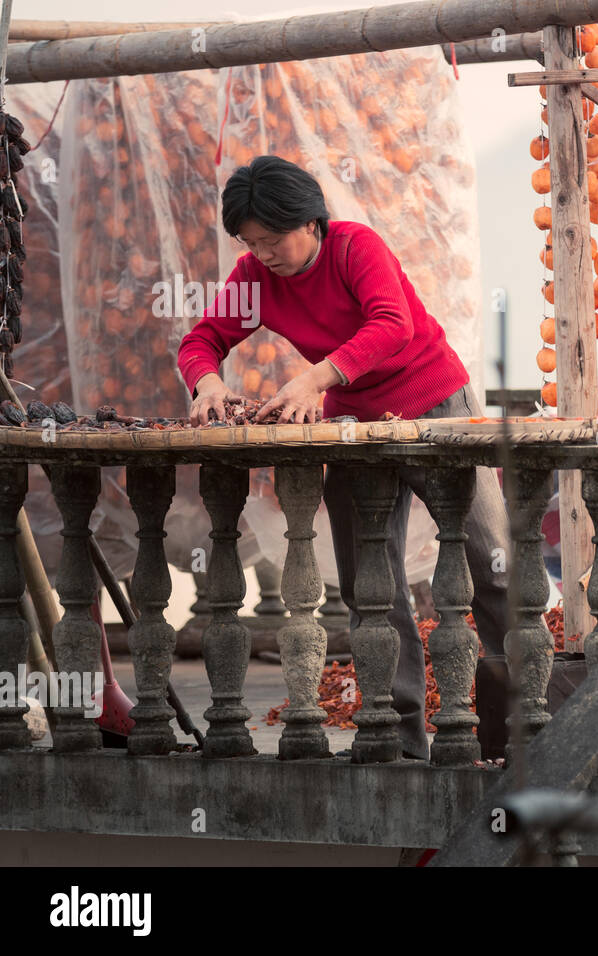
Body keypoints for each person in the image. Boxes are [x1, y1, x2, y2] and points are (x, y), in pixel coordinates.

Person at [178, 155, 512, 760]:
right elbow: (204, 339)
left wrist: (314, 380)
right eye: (249, 243)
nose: (263, 254)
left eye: (272, 239)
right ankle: (396, 733)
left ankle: (515, 728)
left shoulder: (357, 247)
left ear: (311, 222)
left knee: (491, 564)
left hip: (435, 403)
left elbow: (393, 326)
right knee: (370, 586)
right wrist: (205, 382)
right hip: (354, 425)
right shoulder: (254, 277)